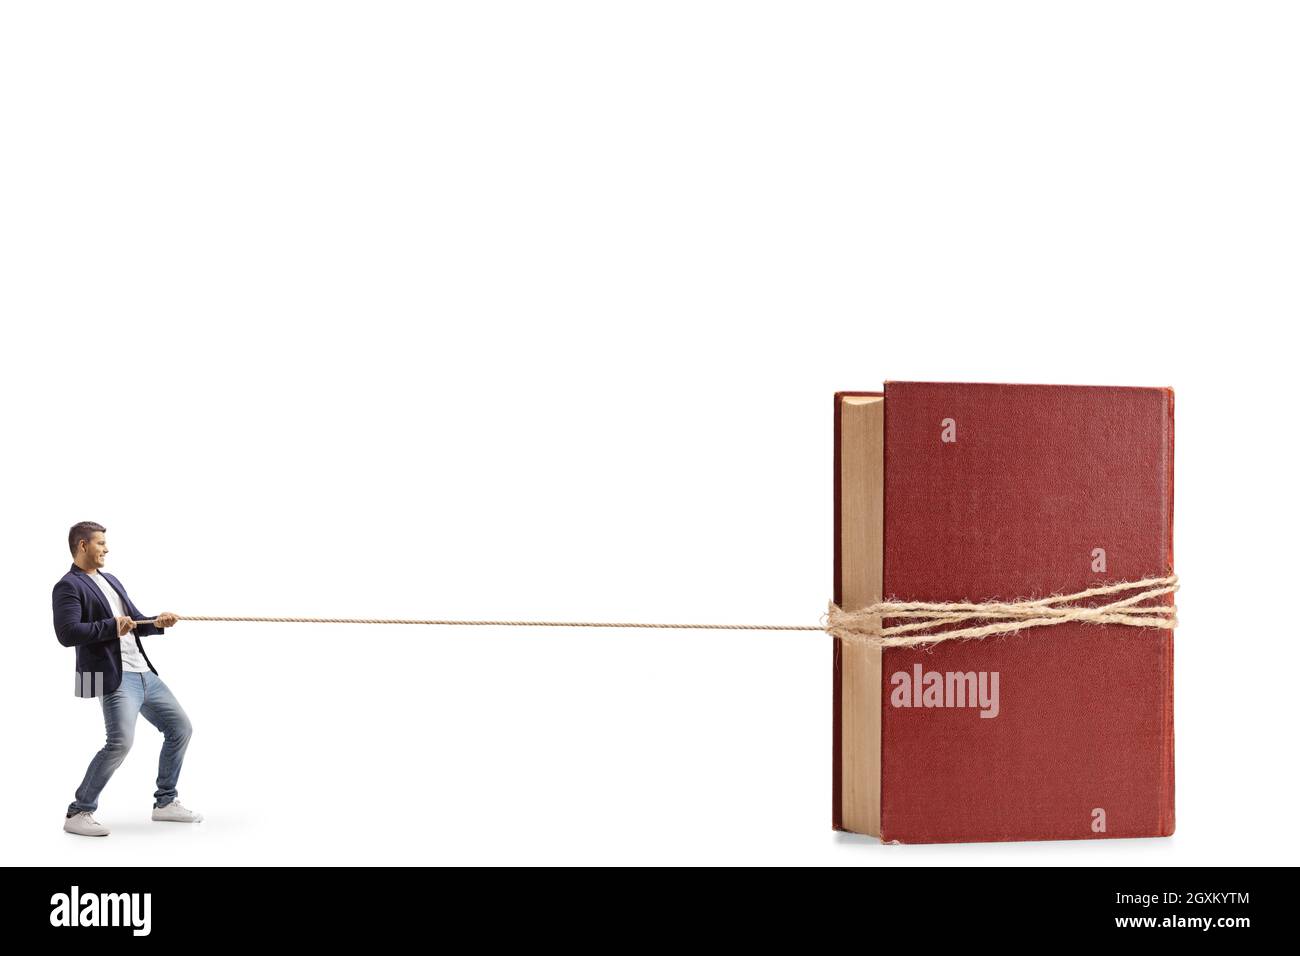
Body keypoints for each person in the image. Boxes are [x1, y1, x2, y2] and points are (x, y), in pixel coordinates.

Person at [53, 521, 202, 837]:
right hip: (112, 675)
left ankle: (165, 803)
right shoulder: (68, 585)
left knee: (180, 728)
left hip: (144, 672)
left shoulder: (111, 580)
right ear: (82, 545)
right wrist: (110, 627)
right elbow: (66, 634)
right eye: (100, 543)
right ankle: (79, 812)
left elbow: (134, 622)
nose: (106, 549)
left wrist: (159, 623)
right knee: (120, 743)